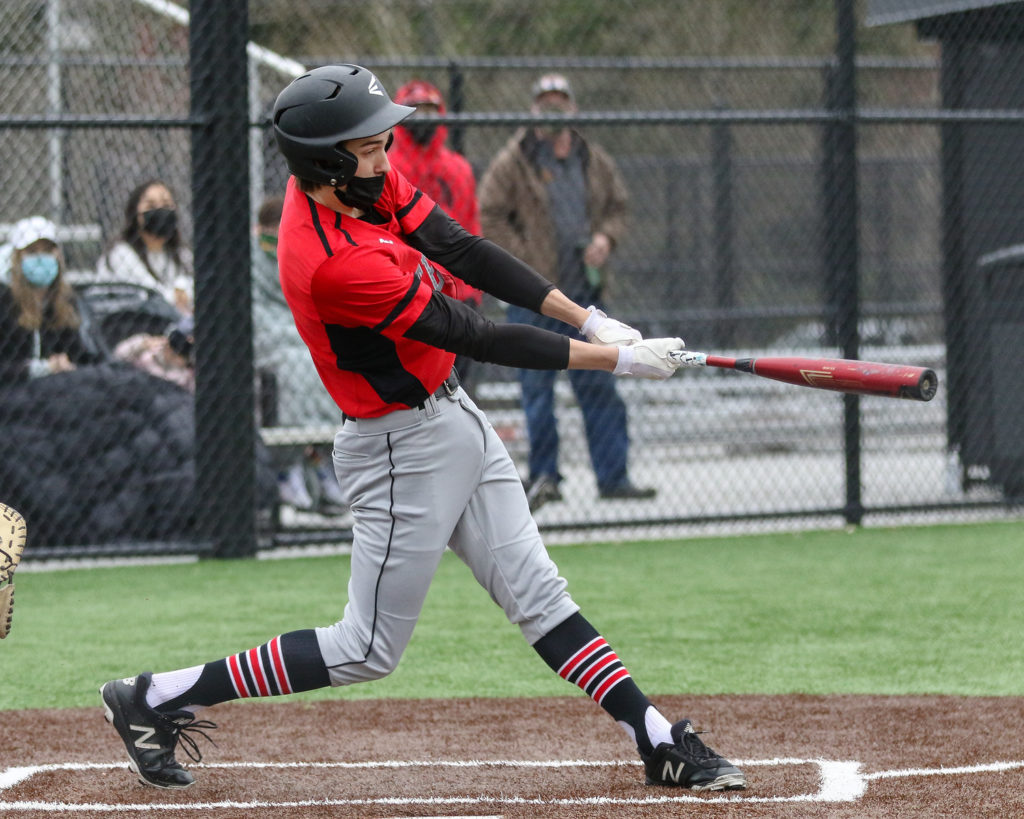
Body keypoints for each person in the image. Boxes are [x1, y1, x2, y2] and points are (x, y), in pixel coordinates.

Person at [99, 65, 745, 795]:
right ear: (327, 164)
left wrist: (587, 317)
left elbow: (462, 249)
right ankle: (152, 696)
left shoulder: (355, 184)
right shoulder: (332, 263)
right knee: (366, 647)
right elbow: (473, 331)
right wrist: (617, 360)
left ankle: (654, 737)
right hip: (399, 448)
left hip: (453, 419)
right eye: (369, 148)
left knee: (538, 593)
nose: (386, 157)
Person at [478, 73, 655, 511]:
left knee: (600, 384)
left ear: (572, 108)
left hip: (585, 298)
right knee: (537, 390)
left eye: (560, 101)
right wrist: (524, 263)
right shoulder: (513, 160)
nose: (552, 109)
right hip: (533, 298)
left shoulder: (591, 157)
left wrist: (605, 240)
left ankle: (614, 477)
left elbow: (619, 206)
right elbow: (491, 216)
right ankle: (545, 477)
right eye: (544, 102)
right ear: (533, 110)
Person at [250, 194, 346, 511]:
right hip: (265, 334)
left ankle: (323, 459)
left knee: (329, 356)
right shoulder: (249, 259)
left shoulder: (306, 254)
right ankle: (286, 467)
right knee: (296, 361)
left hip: (297, 330)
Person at [388, 79, 484, 392]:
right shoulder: (387, 167)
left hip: (457, 291)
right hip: (407, 290)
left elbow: (470, 226)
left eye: (430, 109)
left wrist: (474, 290)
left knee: (458, 387)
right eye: (415, 110)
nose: (423, 117)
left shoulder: (458, 168)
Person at [0, 216, 103, 385]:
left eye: (48, 251)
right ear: (17, 258)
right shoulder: (4, 301)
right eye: (32, 252)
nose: (41, 258)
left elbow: (83, 356)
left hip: (61, 389)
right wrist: (42, 368)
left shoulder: (67, 301)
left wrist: (67, 366)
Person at [94, 179, 194, 316]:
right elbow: (147, 294)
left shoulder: (183, 255)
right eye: (151, 205)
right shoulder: (121, 254)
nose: (160, 210)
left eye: (166, 205)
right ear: (136, 215)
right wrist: (177, 295)